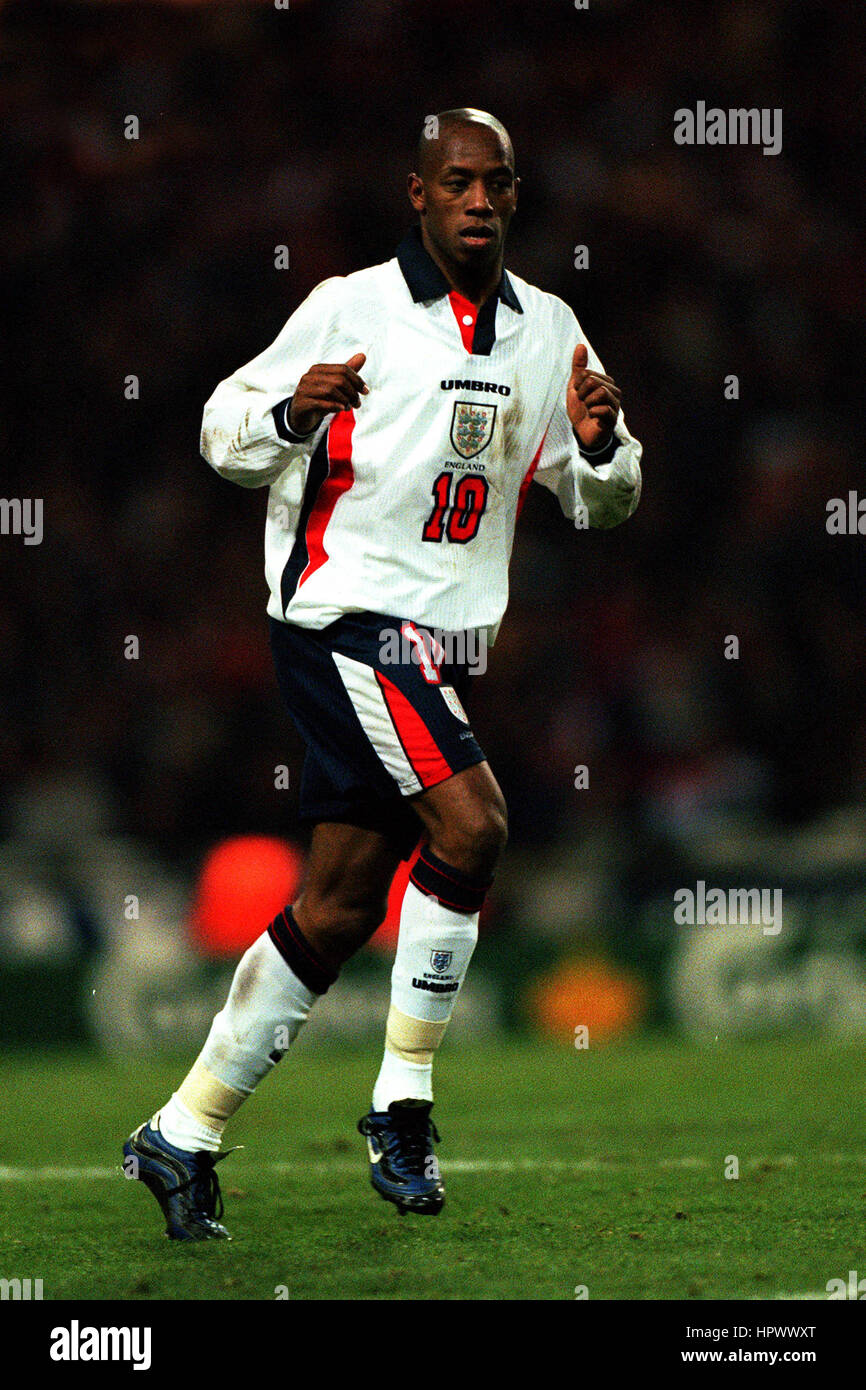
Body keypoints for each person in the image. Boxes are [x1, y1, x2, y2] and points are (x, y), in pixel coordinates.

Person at [123, 108, 642, 1239]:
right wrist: (285, 410)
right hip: (345, 620)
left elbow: (602, 500)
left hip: (440, 652)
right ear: (416, 193)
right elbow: (222, 429)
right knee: (474, 826)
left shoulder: (548, 329)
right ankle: (401, 1102)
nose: (474, 200)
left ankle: (182, 1129)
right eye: (453, 181)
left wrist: (602, 448)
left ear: (514, 196)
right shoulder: (348, 304)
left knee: (343, 900)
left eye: (494, 183)